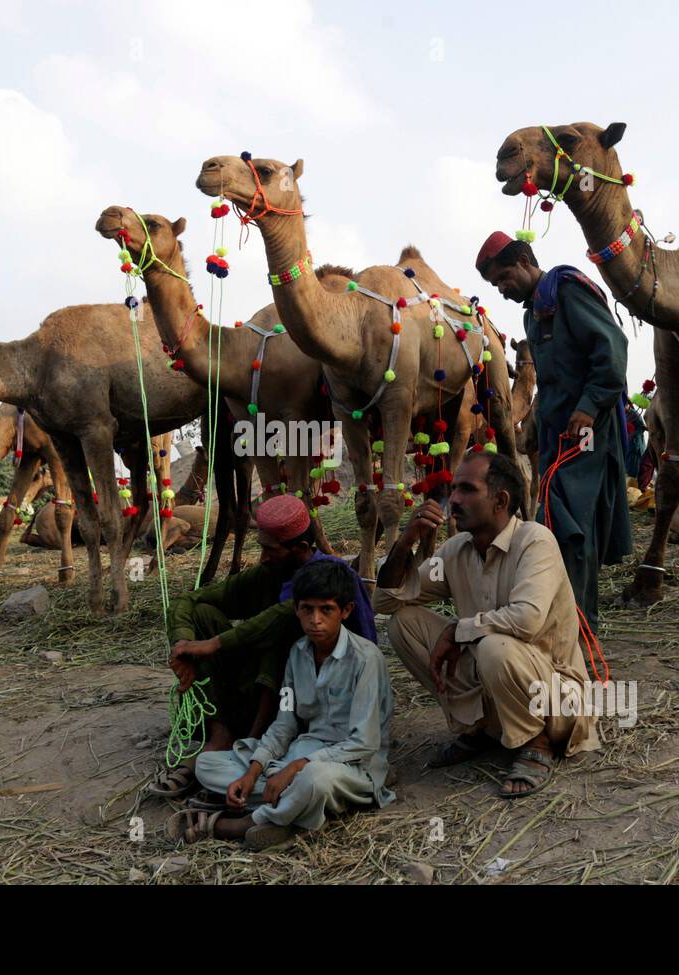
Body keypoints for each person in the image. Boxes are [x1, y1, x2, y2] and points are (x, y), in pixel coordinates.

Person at [375, 451, 600, 798]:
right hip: (493, 683)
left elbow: (525, 619)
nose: (454, 500)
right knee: (403, 625)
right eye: (454, 489)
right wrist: (406, 543)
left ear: (500, 500)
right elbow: (387, 602)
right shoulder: (456, 551)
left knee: (494, 646)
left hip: (555, 698)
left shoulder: (535, 541)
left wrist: (458, 630)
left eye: (467, 489)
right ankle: (478, 728)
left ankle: (536, 743)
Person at [154, 494, 375, 799]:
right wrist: (184, 645)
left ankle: (255, 790)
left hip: (324, 717)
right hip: (278, 712)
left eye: (270, 550)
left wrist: (213, 645)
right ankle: (224, 736)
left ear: (300, 549)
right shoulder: (270, 573)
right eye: (262, 548)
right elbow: (188, 601)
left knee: (313, 780)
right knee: (201, 614)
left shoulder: (331, 583)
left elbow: (275, 619)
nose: (263, 558)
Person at [166, 559, 394, 850]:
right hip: (300, 753)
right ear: (296, 609)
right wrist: (253, 772)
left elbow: (364, 741)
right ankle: (289, 810)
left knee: (314, 780)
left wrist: (297, 767)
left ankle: (239, 823)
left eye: (326, 610)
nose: (315, 620)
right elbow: (285, 723)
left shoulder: (366, 659)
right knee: (208, 765)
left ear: (345, 611)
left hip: (351, 764)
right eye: (306, 610)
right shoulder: (297, 655)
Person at [477, 231, 632, 632]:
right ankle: (562, 617)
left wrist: (587, 407)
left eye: (504, 278)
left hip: (587, 429)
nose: (502, 288)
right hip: (556, 434)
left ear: (525, 262)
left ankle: (579, 626)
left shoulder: (566, 291)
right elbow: (551, 381)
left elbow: (612, 350)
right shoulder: (535, 312)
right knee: (552, 520)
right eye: (496, 285)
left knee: (569, 524)